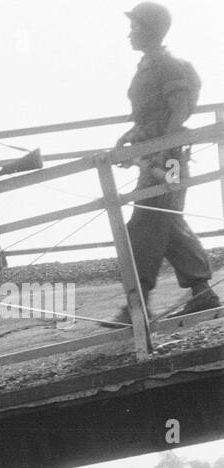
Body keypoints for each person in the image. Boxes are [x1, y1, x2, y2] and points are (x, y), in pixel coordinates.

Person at [111, 2, 219, 323]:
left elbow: (180, 109)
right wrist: (132, 135)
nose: (130, 33)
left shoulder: (170, 66)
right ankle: (203, 293)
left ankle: (138, 304)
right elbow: (151, 114)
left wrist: (161, 149)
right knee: (166, 220)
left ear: (151, 30)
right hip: (154, 156)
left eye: (135, 26)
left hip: (169, 160)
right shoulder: (148, 65)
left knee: (148, 220)